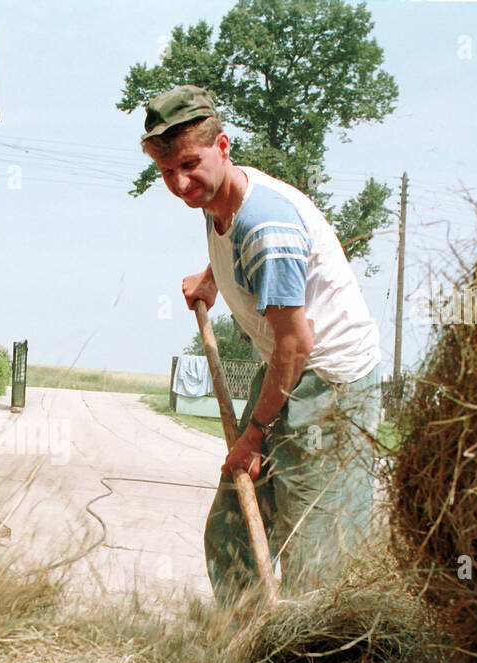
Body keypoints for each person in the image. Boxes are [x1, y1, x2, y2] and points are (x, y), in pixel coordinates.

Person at [140, 85, 383, 601]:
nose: (181, 184)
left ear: (223, 146)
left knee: (315, 547)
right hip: (286, 369)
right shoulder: (216, 198)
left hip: (330, 385)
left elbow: (297, 342)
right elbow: (229, 240)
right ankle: (246, 644)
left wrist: (253, 435)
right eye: (167, 174)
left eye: (190, 164)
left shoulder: (266, 226)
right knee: (232, 527)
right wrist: (213, 277)